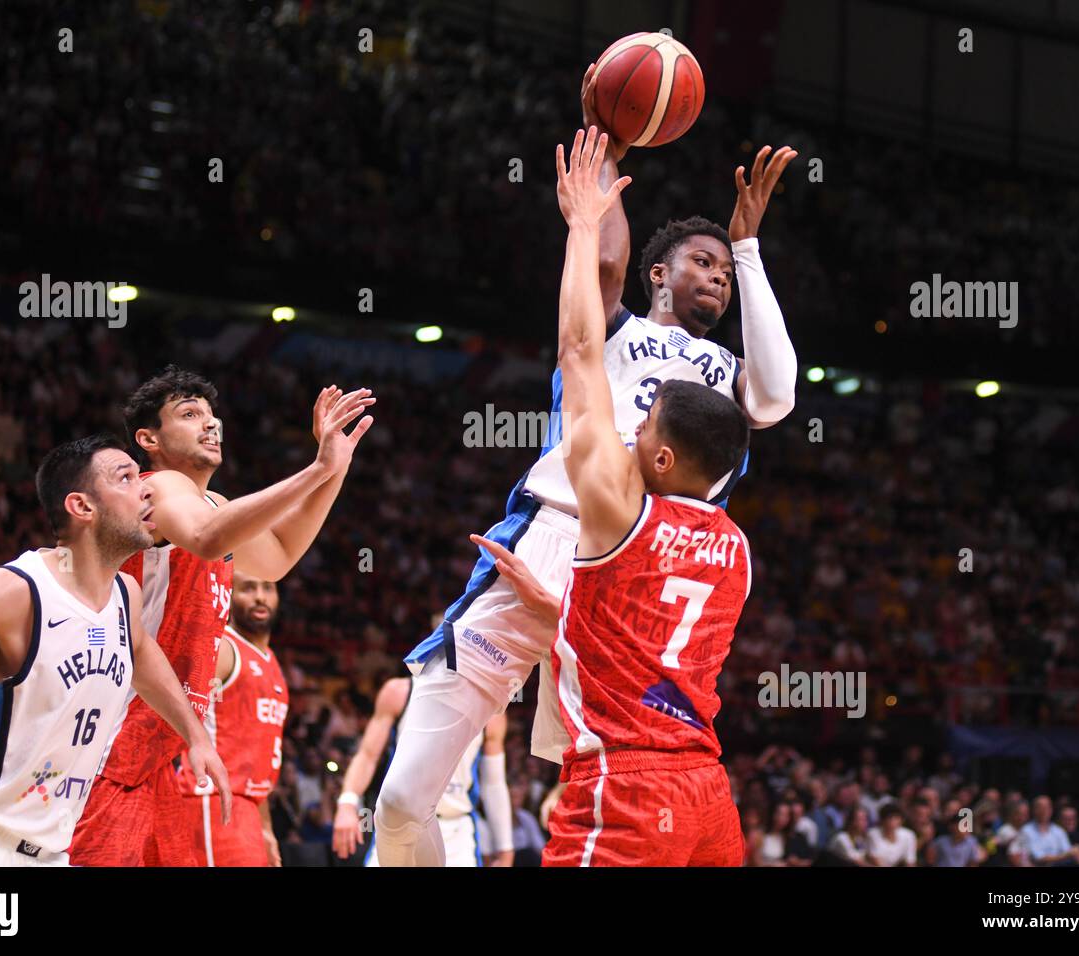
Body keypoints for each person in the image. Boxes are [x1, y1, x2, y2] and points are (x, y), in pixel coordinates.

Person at [378, 77, 796, 867]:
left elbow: (778, 396)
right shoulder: (618, 328)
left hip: (635, 577)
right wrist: (607, 140)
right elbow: (602, 261)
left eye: (724, 272)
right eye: (701, 261)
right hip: (550, 538)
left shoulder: (729, 375)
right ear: (658, 274)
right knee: (401, 802)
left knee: (596, 790)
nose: (716, 277)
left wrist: (748, 250)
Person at [528, 128, 752, 866]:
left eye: (645, 421)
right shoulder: (737, 550)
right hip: (708, 790)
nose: (633, 424)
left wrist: (581, 224)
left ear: (659, 456)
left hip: (625, 785)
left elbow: (578, 350)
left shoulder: (616, 514)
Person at [0, 435, 230, 866]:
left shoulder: (124, 596)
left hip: (50, 853)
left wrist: (196, 737)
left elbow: (141, 653)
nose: (148, 489)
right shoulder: (11, 592)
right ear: (82, 507)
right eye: (126, 478)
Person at [69, 370, 373, 866]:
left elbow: (279, 557)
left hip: (161, 751)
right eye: (189, 415)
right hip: (112, 737)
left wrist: (334, 468)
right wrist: (316, 469)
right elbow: (207, 538)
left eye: (212, 416)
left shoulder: (214, 505)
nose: (210, 425)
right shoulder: (158, 486)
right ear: (149, 439)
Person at [334, 675, 511, 867]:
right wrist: (347, 802)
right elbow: (368, 755)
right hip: (399, 823)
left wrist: (505, 848)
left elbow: (494, 783)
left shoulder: (491, 708)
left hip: (455, 830)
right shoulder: (399, 692)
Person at [178, 572, 289, 866]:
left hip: (249, 808)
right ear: (229, 595)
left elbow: (256, 762)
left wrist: (265, 826)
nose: (260, 597)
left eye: (268, 588)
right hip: (214, 799)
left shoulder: (271, 661)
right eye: (248, 588)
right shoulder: (223, 648)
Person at [1015, 795, 1079, 866]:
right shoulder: (1026, 831)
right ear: (1034, 810)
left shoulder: (1058, 830)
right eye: (1040, 807)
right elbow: (1039, 858)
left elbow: (1068, 851)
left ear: (1051, 810)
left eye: (1047, 807)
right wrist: (1066, 855)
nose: (1045, 810)